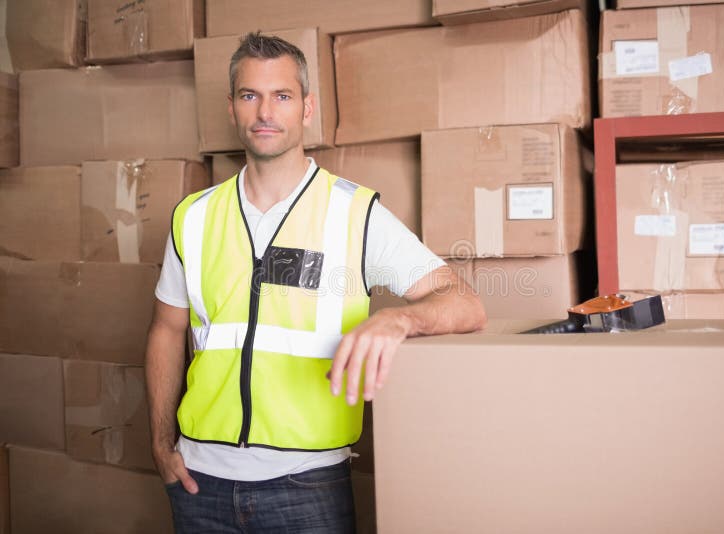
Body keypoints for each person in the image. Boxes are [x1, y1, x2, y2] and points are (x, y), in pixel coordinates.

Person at [145, 32, 486, 533]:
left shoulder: (354, 212)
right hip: (199, 483)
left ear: (306, 107)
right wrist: (159, 441)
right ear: (232, 107)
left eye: (281, 96)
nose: (265, 111)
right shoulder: (192, 217)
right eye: (249, 95)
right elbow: (166, 329)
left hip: (306, 487)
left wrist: (399, 319)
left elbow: (467, 303)